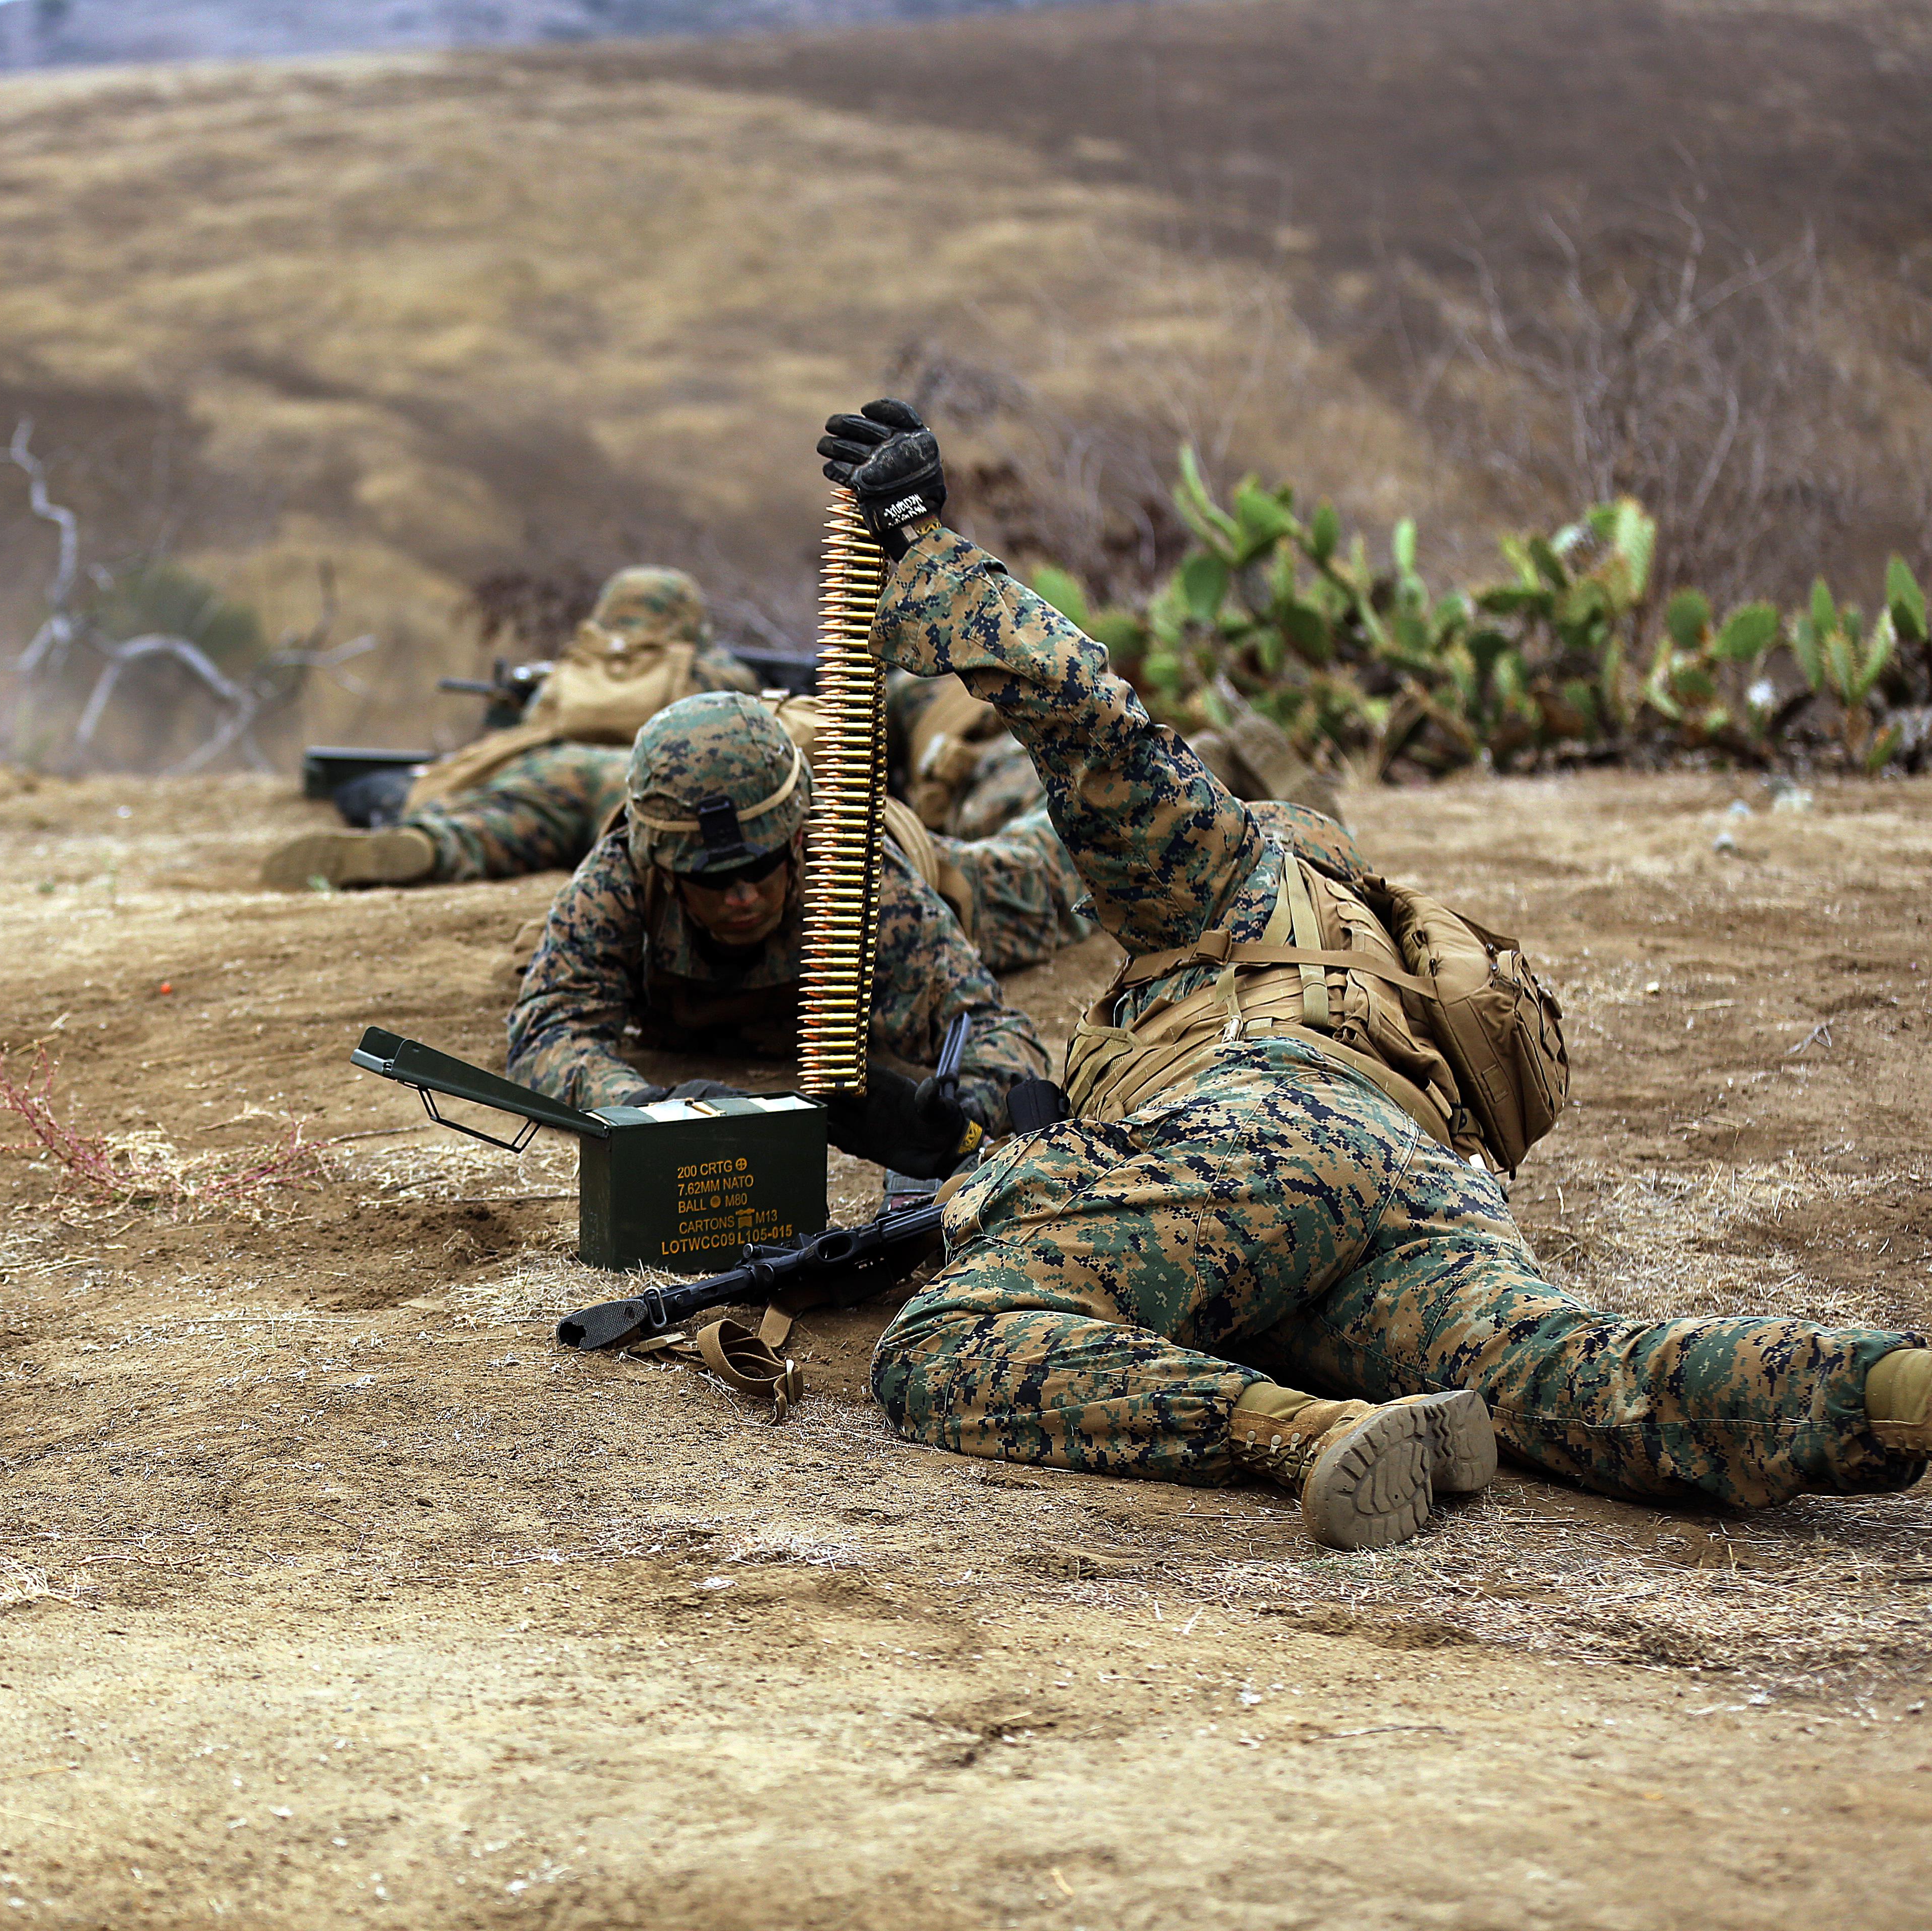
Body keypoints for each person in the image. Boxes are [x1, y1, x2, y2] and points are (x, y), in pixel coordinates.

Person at [813, 398, 1930, 1549]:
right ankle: (1882, 1386)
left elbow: (1084, 713)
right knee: (1565, 1367)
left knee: (945, 1340)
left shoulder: (1224, 872)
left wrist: (918, 540)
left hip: (1266, 1138)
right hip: (1426, 1188)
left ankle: (1292, 1429)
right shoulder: (1380, 951)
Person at [506, 688, 1050, 1168]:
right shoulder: (619, 880)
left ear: (795, 840)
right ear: (667, 873)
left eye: (759, 866)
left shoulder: (859, 882)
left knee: (1048, 861)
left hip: (941, 873)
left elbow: (1000, 1034)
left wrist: (959, 1116)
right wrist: (651, 1107)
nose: (742, 896)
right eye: (713, 878)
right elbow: (546, 1033)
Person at [263, 567, 759, 891]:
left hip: (551, 767)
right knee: (652, 845)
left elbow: (523, 727)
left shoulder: (576, 663)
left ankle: (432, 846)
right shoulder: (711, 669)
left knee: (495, 826)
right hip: (638, 772)